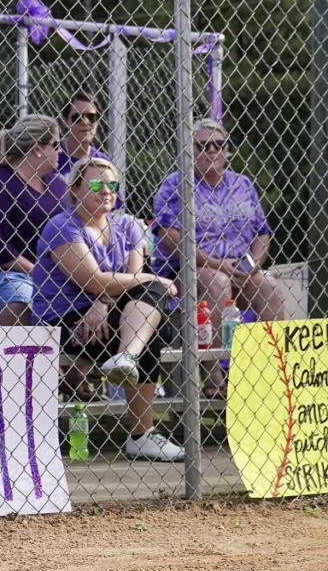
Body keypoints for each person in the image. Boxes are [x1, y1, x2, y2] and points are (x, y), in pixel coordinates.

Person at [33, 157, 183, 462]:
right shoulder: (62, 226)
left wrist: (103, 301)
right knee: (154, 316)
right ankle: (141, 434)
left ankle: (125, 359)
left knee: (150, 307)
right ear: (75, 188)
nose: (106, 191)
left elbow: (133, 281)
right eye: (97, 184)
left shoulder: (127, 224)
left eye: (111, 184)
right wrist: (150, 279)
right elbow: (93, 279)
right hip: (69, 321)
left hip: (113, 317)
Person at [151, 118, 286, 398]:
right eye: (203, 146)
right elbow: (167, 235)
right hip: (189, 271)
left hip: (240, 269)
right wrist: (213, 263)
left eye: (219, 145)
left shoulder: (243, 184)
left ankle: (266, 377)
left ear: (227, 150)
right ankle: (214, 382)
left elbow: (263, 233)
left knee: (270, 287)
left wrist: (251, 263)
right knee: (216, 283)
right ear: (190, 152)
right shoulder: (176, 184)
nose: (212, 151)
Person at [0, 115, 68, 327]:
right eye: (56, 144)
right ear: (37, 148)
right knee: (21, 301)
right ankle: (4, 356)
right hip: (11, 274)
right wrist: (40, 273)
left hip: (56, 275)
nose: (61, 151)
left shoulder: (59, 187)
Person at [56, 93, 112, 177]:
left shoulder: (102, 162)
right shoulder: (52, 156)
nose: (85, 122)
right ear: (65, 121)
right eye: (77, 117)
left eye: (91, 117)